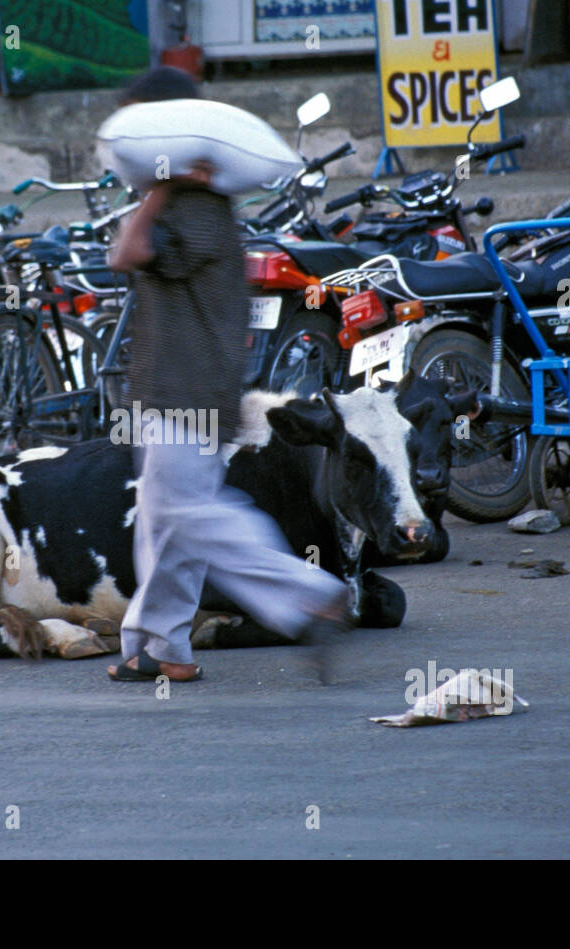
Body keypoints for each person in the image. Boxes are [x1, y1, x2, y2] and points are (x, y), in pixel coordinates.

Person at [105, 66, 352, 684]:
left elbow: (125, 253)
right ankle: (160, 649)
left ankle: (309, 593)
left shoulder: (196, 208)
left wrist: (160, 187)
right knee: (167, 525)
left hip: (182, 389)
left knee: (188, 516)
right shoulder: (200, 205)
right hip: (186, 386)